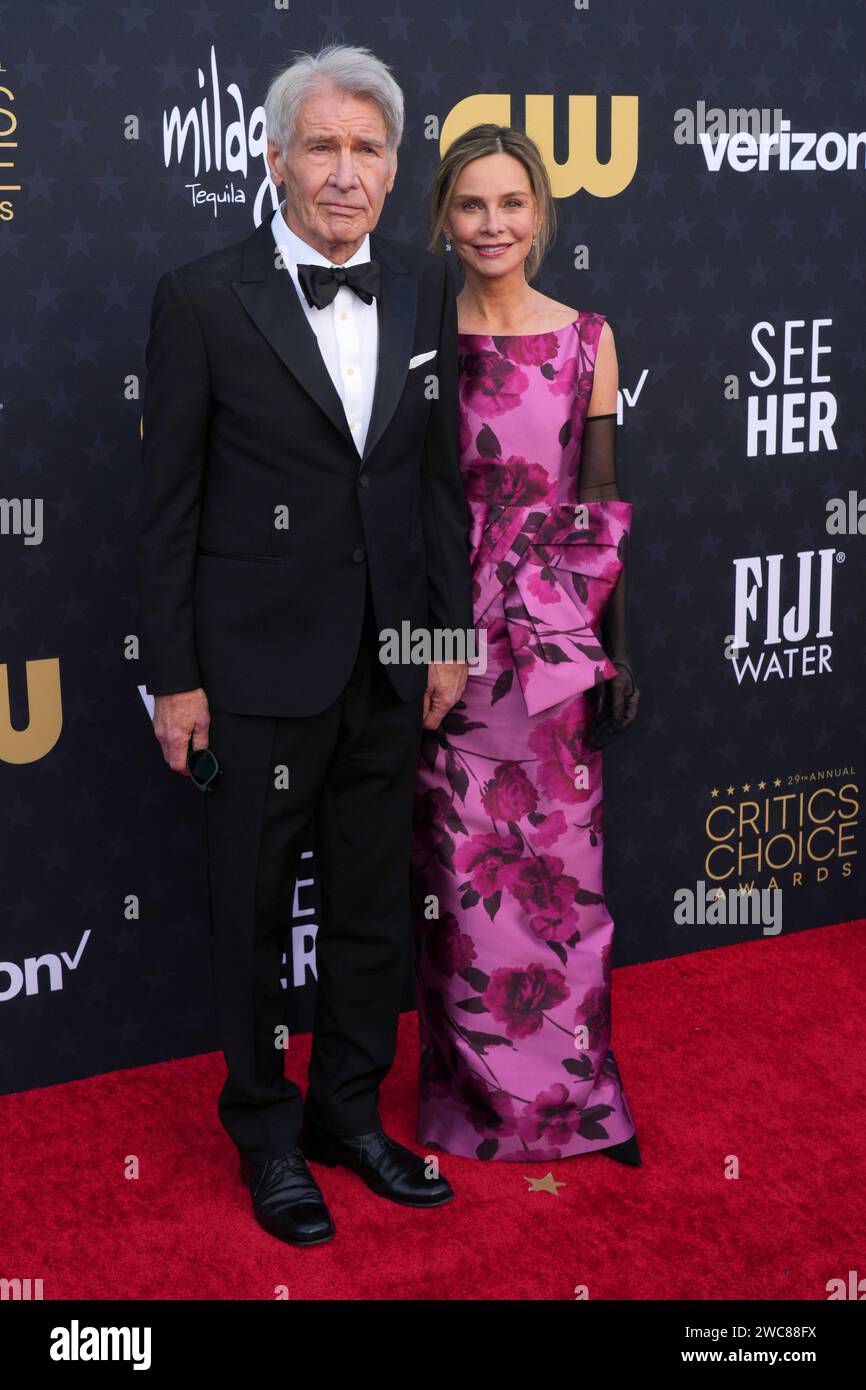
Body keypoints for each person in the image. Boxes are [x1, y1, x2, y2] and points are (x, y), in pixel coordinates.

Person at [136, 44, 475, 1246]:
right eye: (320, 147)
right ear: (273, 158)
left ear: (395, 166)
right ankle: (265, 1136)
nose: (344, 172)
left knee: (374, 912)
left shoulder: (428, 288)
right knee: (248, 909)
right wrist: (173, 677)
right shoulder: (199, 297)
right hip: (250, 678)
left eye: (367, 149)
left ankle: (347, 1115)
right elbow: (166, 504)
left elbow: (433, 478)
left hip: (390, 663)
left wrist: (442, 636)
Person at [410, 125, 642, 1165]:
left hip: (552, 645)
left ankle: (576, 1095)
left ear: (540, 214)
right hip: (446, 641)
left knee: (563, 875)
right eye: (470, 205)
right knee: (463, 878)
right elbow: (401, 501)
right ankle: (475, 1108)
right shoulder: (417, 331)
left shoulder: (587, 336)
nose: (491, 224)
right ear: (442, 218)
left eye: (510, 204)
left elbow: (597, 506)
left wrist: (615, 649)